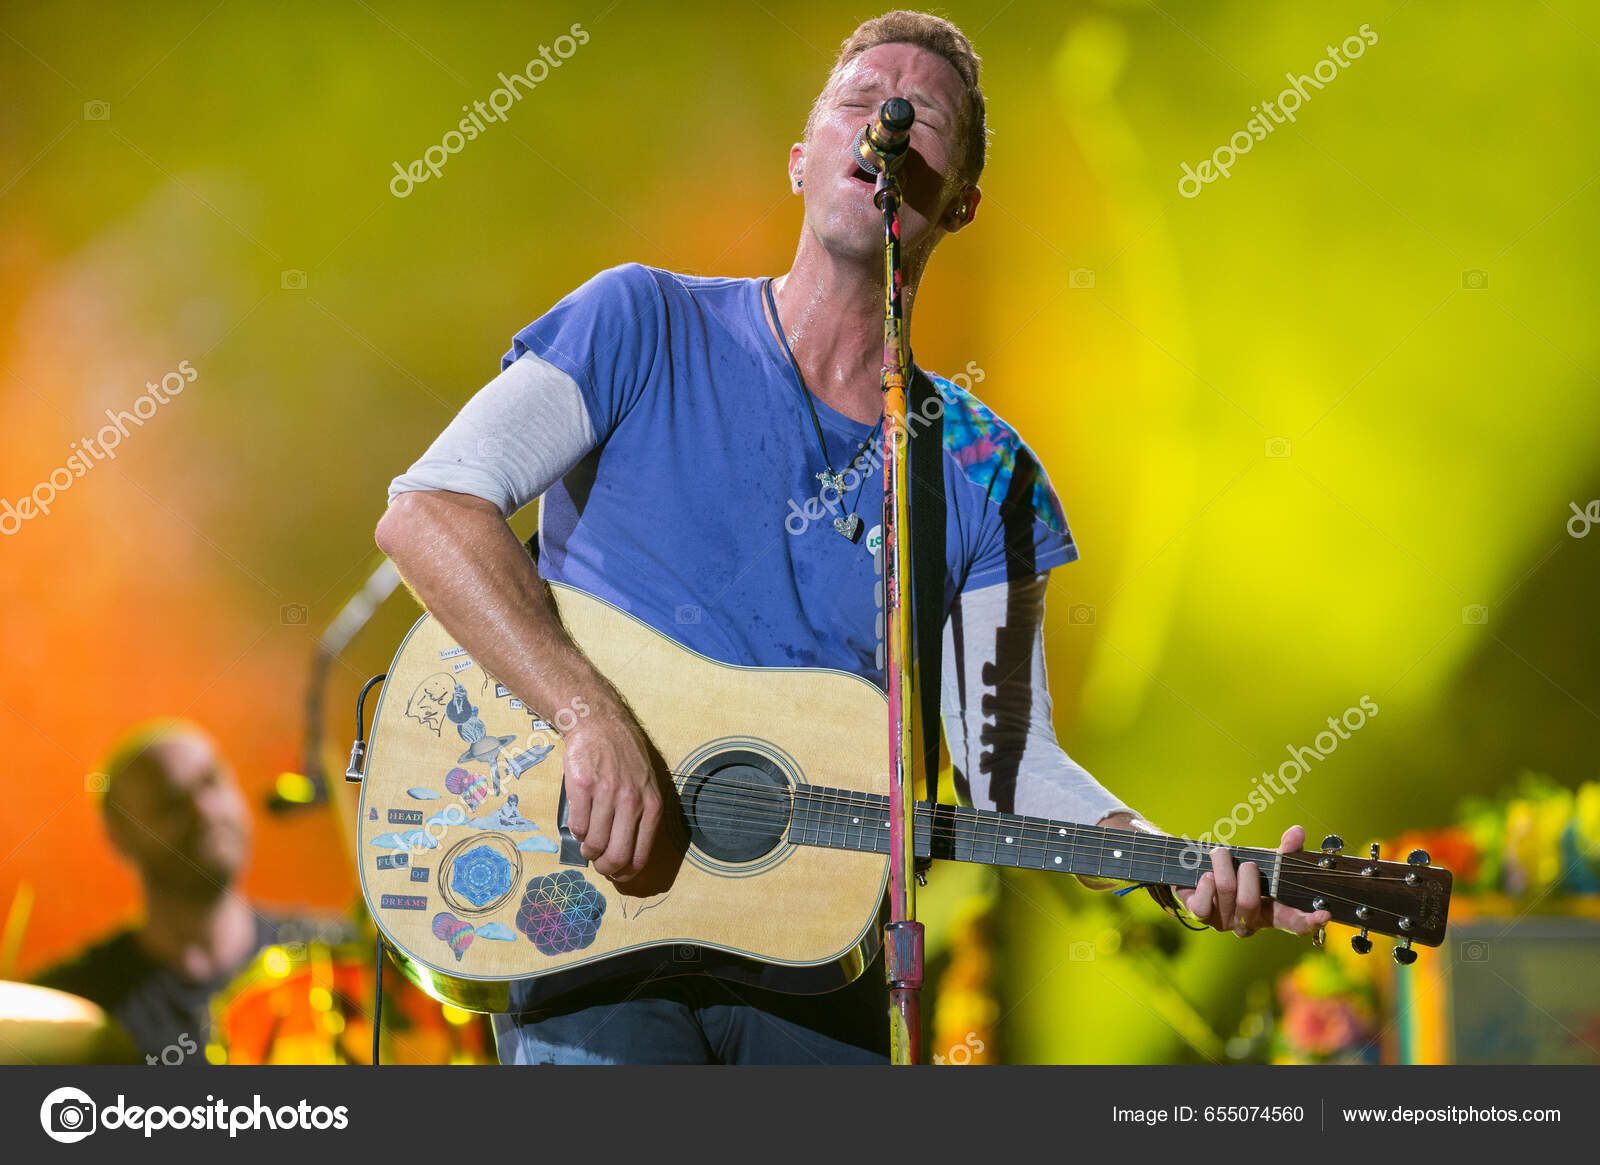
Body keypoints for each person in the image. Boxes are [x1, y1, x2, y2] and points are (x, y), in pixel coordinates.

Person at [375, 10, 1329, 1065]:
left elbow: (1006, 765)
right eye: (861, 101)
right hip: (596, 923)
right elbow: (430, 510)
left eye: (924, 121)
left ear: (960, 204)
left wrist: (1167, 863)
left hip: (819, 958)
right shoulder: (639, 320)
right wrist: (587, 715)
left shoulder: (986, 470)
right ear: (802, 158)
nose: (888, 124)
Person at [33, 720, 338, 1062]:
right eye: (171, 802)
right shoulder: (68, 1004)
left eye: (211, 782)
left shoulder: (336, 959)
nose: (204, 810)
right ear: (119, 838)